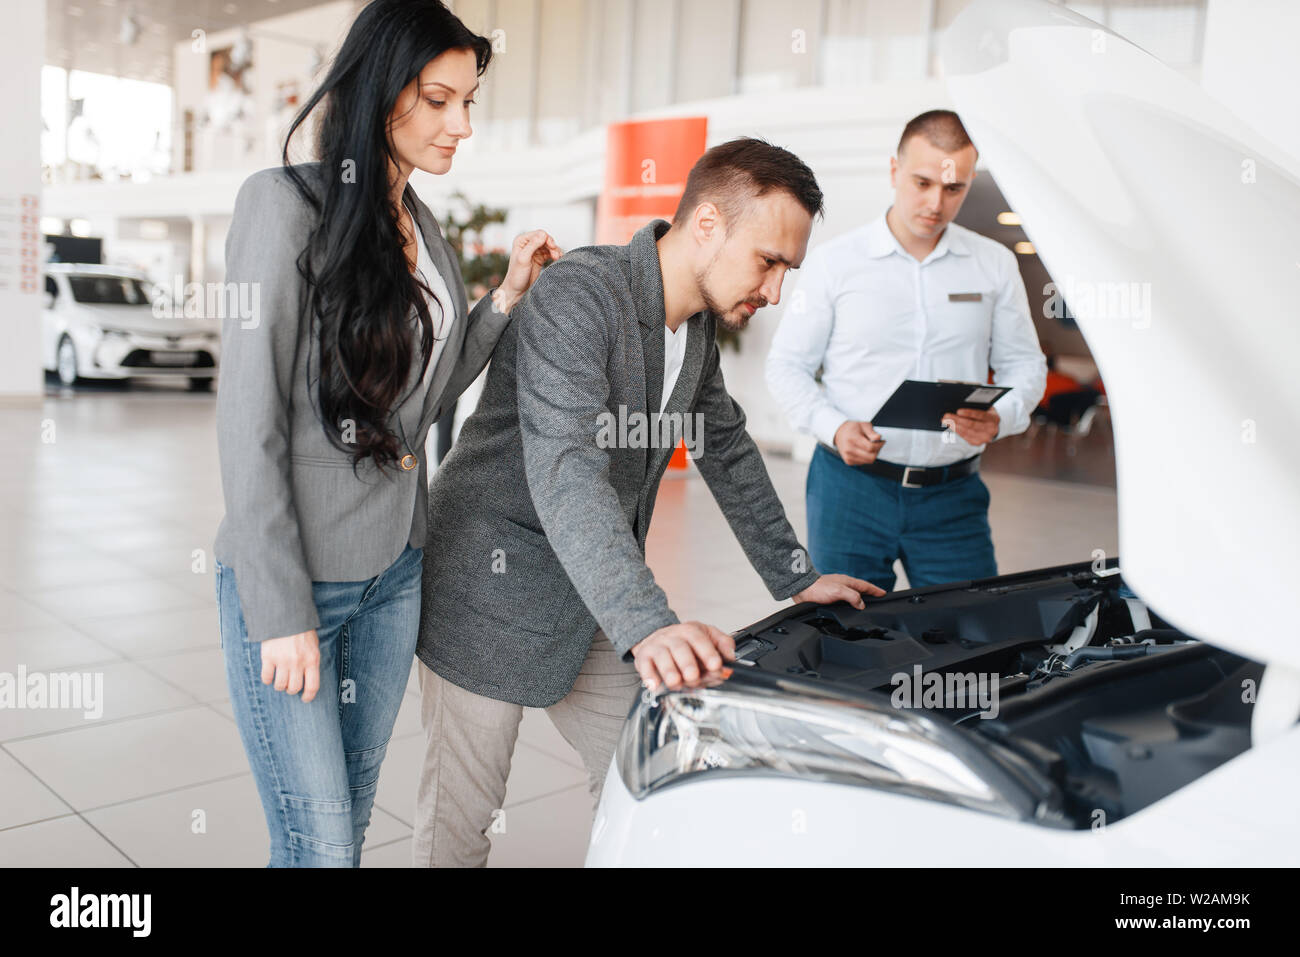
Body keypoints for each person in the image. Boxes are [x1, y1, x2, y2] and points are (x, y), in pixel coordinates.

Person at [411, 138, 883, 867]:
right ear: (706, 226)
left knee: (648, 779)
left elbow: (724, 445)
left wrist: (795, 573)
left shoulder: (693, 331)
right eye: (768, 261)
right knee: (461, 823)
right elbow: (567, 468)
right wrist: (647, 623)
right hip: (488, 580)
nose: (776, 291)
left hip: (590, 585)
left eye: (788, 269)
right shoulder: (580, 294)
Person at [212, 0, 559, 867]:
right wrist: (279, 609)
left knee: (350, 823)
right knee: (319, 841)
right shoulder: (282, 206)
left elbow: (425, 401)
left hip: (394, 574)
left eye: (470, 102)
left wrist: (504, 300)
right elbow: (245, 417)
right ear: (379, 92)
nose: (462, 126)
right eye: (440, 100)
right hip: (300, 583)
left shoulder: (426, 229)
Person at [766, 110, 1046, 591]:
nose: (935, 203)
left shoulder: (994, 265)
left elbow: (1025, 364)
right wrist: (833, 428)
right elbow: (787, 366)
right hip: (849, 490)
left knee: (971, 636)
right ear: (894, 170)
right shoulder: (836, 263)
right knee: (846, 642)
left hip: (952, 496)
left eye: (953, 188)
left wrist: (1004, 415)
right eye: (921, 182)